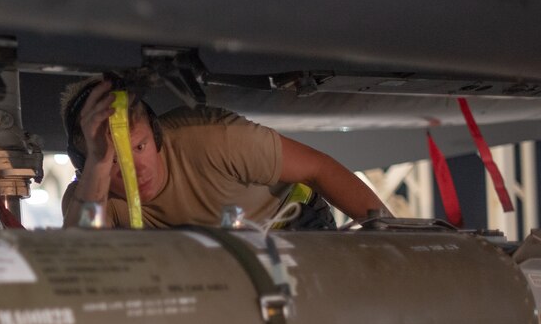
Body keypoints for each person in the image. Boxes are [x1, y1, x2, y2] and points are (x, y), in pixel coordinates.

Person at [60, 77, 388, 229]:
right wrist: (100, 163)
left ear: (156, 133)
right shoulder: (90, 197)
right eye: (114, 160)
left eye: (140, 147)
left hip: (291, 227)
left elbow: (318, 168)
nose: (134, 169)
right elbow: (82, 258)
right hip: (217, 269)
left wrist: (398, 240)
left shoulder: (211, 137)